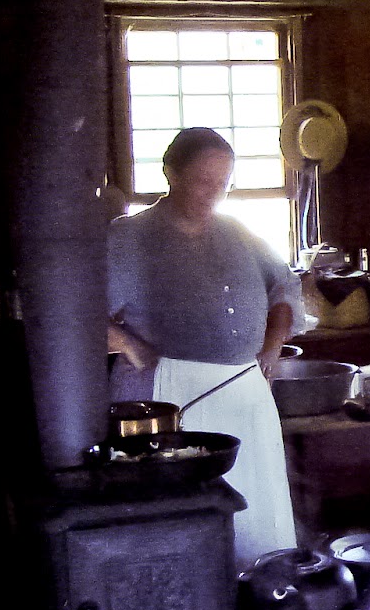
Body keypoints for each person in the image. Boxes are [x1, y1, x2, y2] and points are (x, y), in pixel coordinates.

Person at [107, 127, 303, 565]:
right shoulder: (129, 237)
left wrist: (270, 349)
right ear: (170, 173)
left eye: (224, 182)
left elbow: (284, 288)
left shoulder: (238, 232)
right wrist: (124, 342)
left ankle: (261, 588)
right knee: (186, 514)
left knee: (256, 505)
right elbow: (76, 313)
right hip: (172, 394)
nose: (214, 192)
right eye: (203, 180)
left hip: (244, 389)